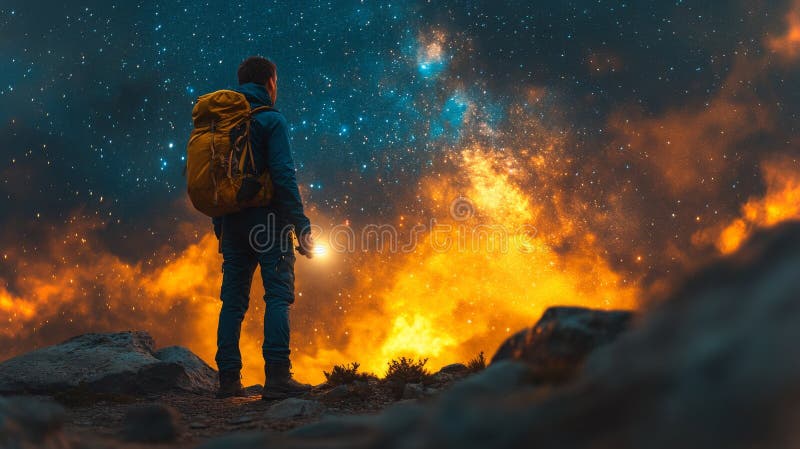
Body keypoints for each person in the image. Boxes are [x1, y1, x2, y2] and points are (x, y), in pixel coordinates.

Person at [213, 56, 315, 400]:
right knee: (278, 296)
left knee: (232, 302)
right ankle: (277, 376)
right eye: (276, 82)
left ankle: (228, 381)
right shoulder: (271, 120)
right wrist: (301, 225)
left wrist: (221, 225)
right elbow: (284, 175)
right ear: (270, 82)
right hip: (268, 223)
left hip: (231, 222)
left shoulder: (221, 123)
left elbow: (216, 181)